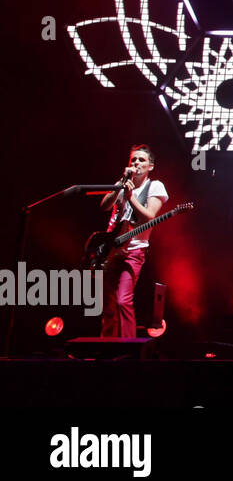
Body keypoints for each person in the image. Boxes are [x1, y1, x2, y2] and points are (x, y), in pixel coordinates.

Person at [98, 144, 168, 338]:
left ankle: (130, 349)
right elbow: (104, 206)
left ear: (151, 166)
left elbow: (148, 216)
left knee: (122, 301)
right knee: (108, 305)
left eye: (141, 160)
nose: (136, 163)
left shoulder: (155, 186)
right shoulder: (123, 184)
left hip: (134, 251)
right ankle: (106, 346)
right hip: (111, 250)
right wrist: (121, 184)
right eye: (133, 160)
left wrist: (130, 198)